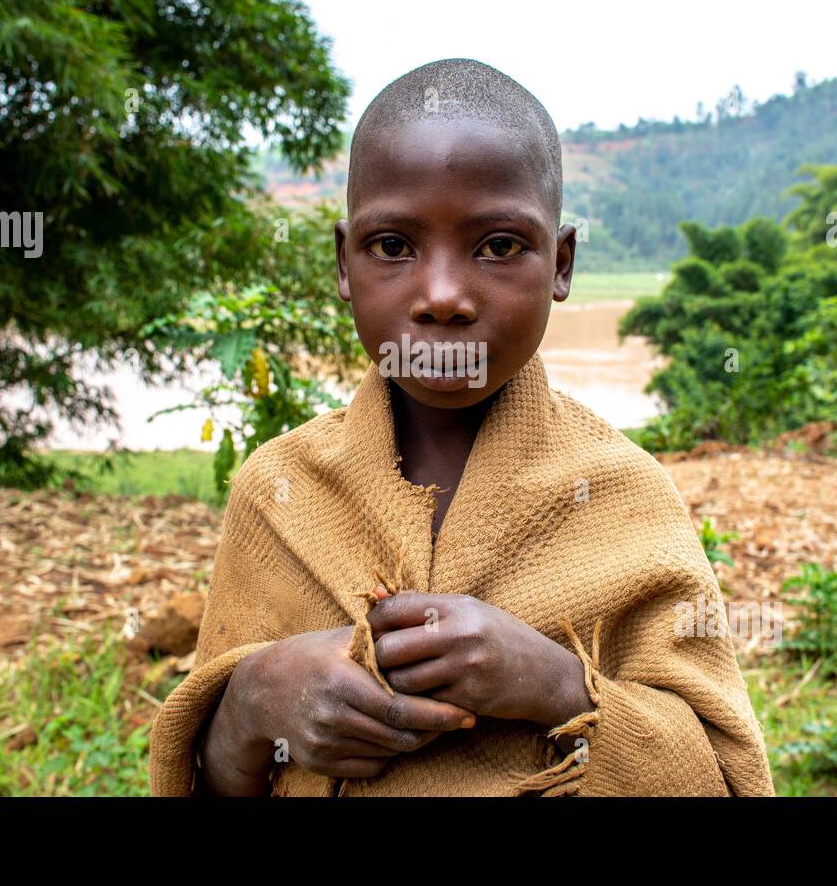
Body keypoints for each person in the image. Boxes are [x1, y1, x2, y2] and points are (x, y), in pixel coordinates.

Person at [148, 58, 775, 796]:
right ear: (344, 264)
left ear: (561, 263)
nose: (443, 296)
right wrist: (252, 704)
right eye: (393, 247)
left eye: (499, 246)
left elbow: (725, 778)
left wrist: (555, 685)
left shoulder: (624, 495)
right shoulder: (278, 492)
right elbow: (218, 778)